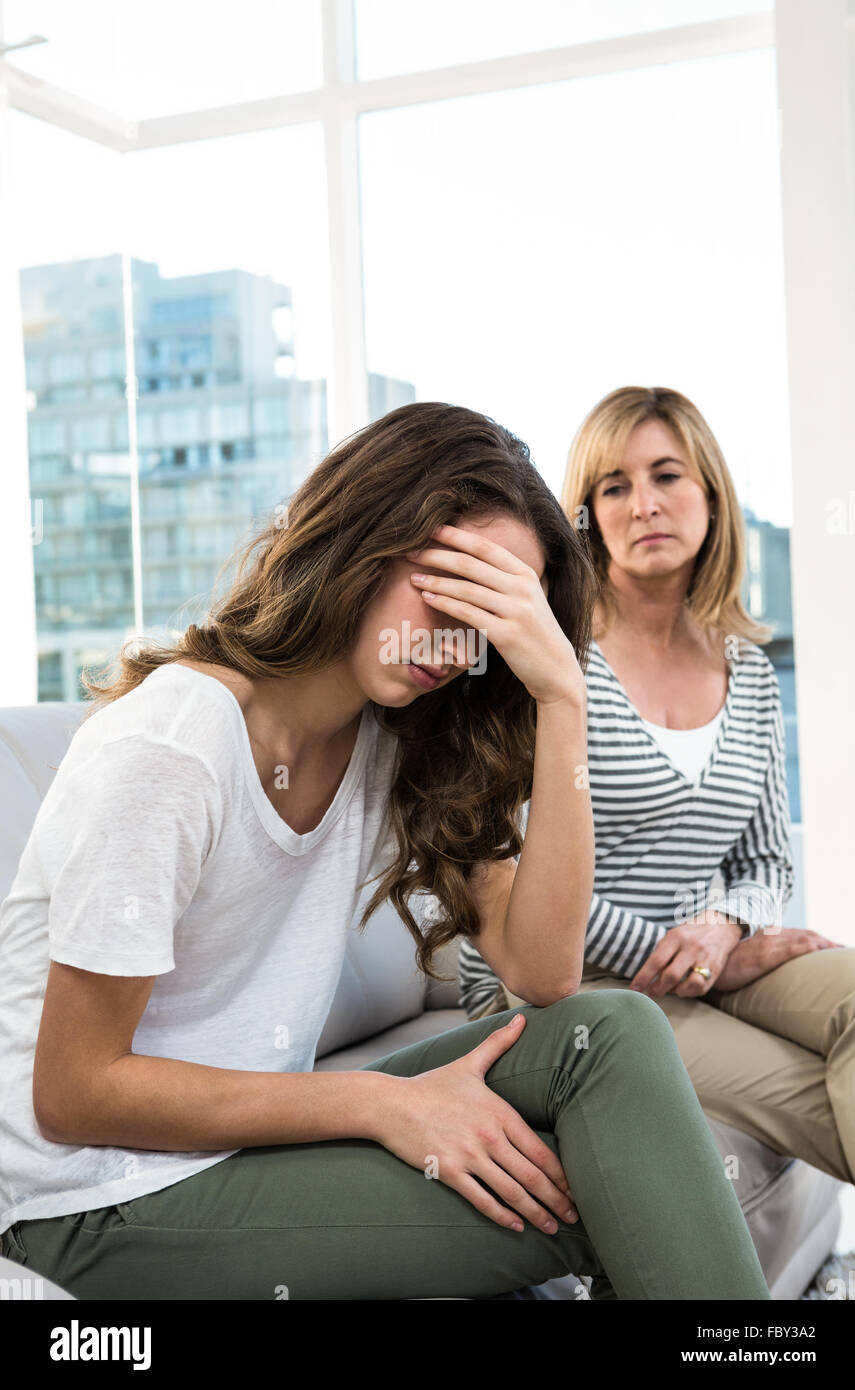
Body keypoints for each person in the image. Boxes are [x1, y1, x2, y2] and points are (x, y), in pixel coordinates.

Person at [0, 401, 771, 1300]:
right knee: (625, 1185)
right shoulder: (174, 743)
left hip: (239, 1148)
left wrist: (564, 700)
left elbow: (546, 972)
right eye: (445, 589)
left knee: (612, 1035)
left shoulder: (390, 740)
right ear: (363, 533)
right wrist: (380, 1103)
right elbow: (76, 1090)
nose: (454, 640)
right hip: (90, 1202)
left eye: (490, 618)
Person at [460, 386, 855, 1210]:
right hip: (574, 981)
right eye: (614, 486)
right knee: (819, 1089)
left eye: (667, 476)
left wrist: (724, 928)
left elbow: (765, 857)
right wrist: (695, 961)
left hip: (705, 955)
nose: (643, 504)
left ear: (711, 497)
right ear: (584, 516)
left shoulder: (748, 671)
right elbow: (521, 878)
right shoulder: (556, 666)